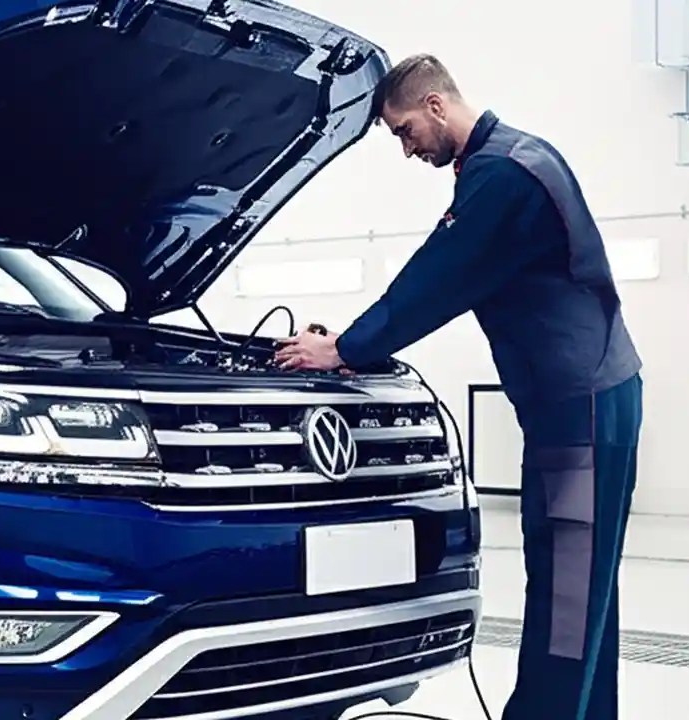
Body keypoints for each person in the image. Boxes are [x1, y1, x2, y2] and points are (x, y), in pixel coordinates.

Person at [274, 54, 643, 720]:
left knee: (568, 581)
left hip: (579, 409)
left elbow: (437, 278)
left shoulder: (504, 174)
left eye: (405, 131)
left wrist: (345, 349)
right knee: (583, 581)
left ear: (436, 106)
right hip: (588, 398)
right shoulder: (511, 158)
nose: (407, 149)